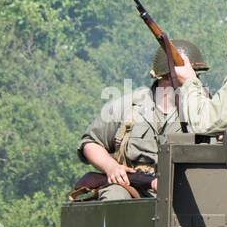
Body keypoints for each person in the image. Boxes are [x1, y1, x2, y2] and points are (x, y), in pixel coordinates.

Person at [77, 40, 209, 200]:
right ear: (168, 76)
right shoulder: (128, 105)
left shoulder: (205, 111)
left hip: (185, 192)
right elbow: (91, 143)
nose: (196, 81)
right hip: (133, 188)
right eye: (191, 76)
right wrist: (111, 167)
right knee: (115, 196)